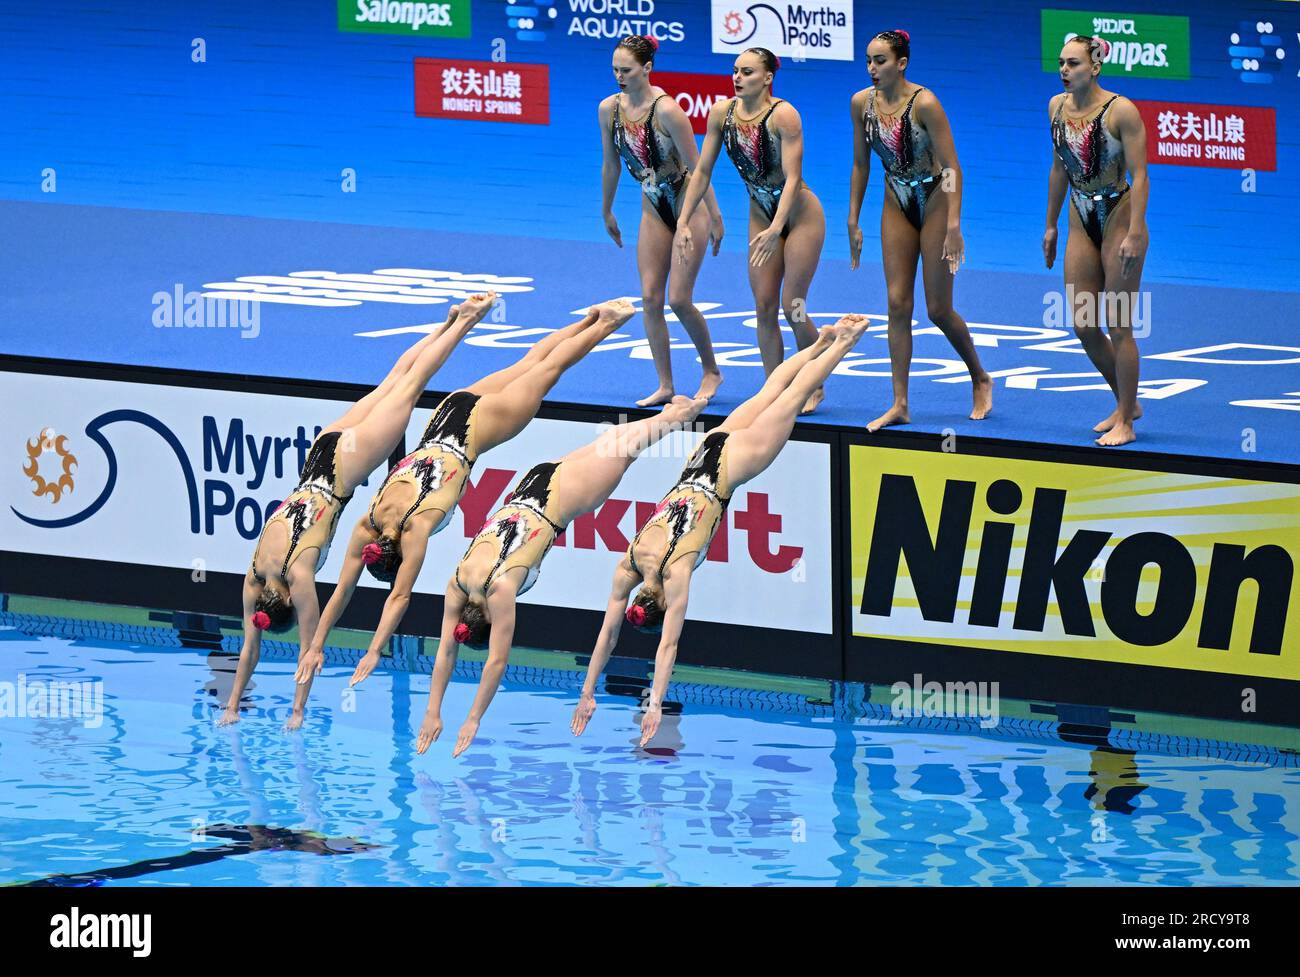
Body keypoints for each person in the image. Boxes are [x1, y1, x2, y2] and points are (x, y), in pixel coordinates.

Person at [295, 300, 639, 689]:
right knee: (530, 362)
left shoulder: (416, 530)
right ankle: (590, 317)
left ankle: (606, 323)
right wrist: (316, 644)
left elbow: (399, 599)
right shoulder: (366, 523)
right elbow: (343, 590)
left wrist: (375, 651)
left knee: (548, 370)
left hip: (476, 431)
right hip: (445, 415)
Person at [570, 315, 869, 746]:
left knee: (793, 398)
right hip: (701, 456)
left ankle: (844, 342)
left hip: (730, 469)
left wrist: (655, 704)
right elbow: (608, 633)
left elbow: (666, 650)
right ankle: (820, 341)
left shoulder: (678, 574)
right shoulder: (628, 563)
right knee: (768, 392)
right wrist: (585, 691)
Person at [218, 291, 497, 729]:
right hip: (316, 459)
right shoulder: (253, 578)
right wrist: (232, 704)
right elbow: (248, 647)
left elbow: (309, 649)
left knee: (411, 384)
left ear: (288, 601)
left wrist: (298, 710)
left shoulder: (299, 578)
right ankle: (447, 324)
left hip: (345, 470)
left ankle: (465, 322)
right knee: (392, 381)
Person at [413, 394, 709, 756]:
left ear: (489, 620)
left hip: (566, 496)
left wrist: (473, 719)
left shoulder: (501, 590)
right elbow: (445, 650)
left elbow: (496, 661)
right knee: (619, 441)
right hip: (531, 484)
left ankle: (688, 411)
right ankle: (678, 411)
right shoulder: (457, 582)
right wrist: (432, 711)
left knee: (627, 445)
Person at [848, 29, 991, 432]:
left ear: (902, 63)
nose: (872, 69)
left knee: (937, 309)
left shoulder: (924, 103)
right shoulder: (861, 104)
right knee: (896, 303)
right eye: (869, 61)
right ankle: (900, 402)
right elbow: (862, 165)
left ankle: (979, 375)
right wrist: (853, 218)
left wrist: (954, 224)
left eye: (881, 61)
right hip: (895, 199)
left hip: (934, 200)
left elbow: (951, 167)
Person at [674, 47, 828, 414]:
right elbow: (702, 171)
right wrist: (683, 220)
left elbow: (792, 179)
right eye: (735, 71)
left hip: (800, 214)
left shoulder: (784, 115)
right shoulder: (721, 114)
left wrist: (778, 228)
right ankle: (773, 389)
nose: (737, 77)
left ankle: (814, 382)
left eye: (747, 72)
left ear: (768, 77)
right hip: (761, 214)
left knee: (793, 307)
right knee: (763, 306)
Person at [600, 34, 725, 407]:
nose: (619, 76)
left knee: (679, 299)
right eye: (615, 70)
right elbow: (611, 163)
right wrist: (606, 209)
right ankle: (666, 384)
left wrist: (715, 217)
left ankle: (711, 370)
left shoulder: (668, 111)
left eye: (627, 70)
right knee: (650, 298)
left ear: (647, 69)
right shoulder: (608, 109)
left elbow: (700, 169)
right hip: (652, 204)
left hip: (688, 204)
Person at [1044, 35, 1149, 446]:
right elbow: (1058, 169)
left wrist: (1136, 231)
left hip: (1118, 216)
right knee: (1084, 325)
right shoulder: (1055, 108)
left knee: (1119, 325)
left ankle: (1126, 419)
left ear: (1096, 67)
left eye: (1073, 64)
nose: (1065, 71)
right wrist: (1050, 225)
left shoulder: (1120, 111)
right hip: (1079, 216)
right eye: (1062, 63)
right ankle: (1127, 401)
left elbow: (1140, 175)